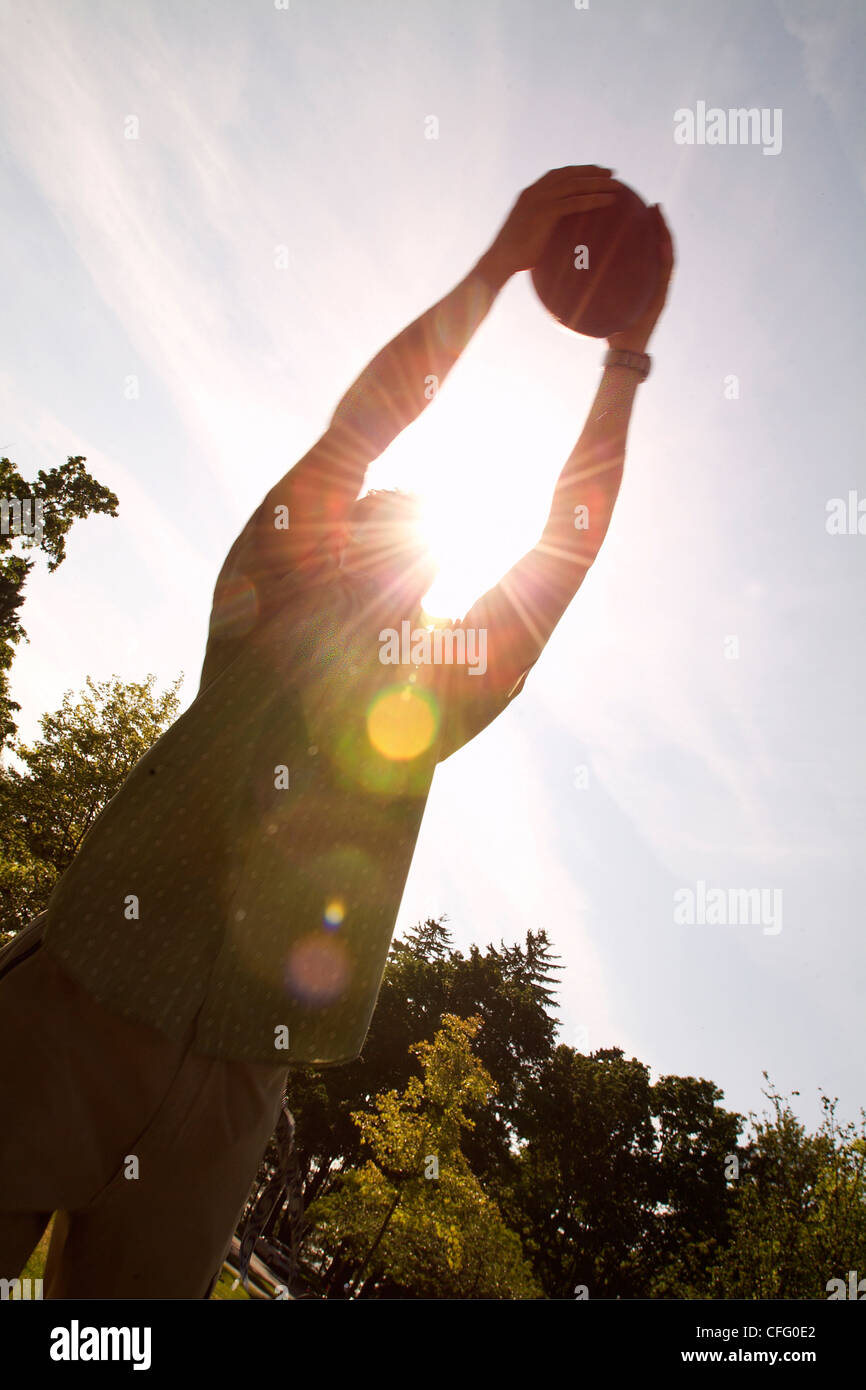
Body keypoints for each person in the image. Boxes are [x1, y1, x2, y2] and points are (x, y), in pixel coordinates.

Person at [0, 166, 674, 1298]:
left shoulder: (423, 696)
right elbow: (363, 427)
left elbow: (558, 555)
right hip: (85, 1003)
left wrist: (624, 362)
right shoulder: (265, 594)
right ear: (334, 527)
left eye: (421, 542)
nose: (394, 534)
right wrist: (496, 267)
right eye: (376, 513)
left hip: (231, 1088)